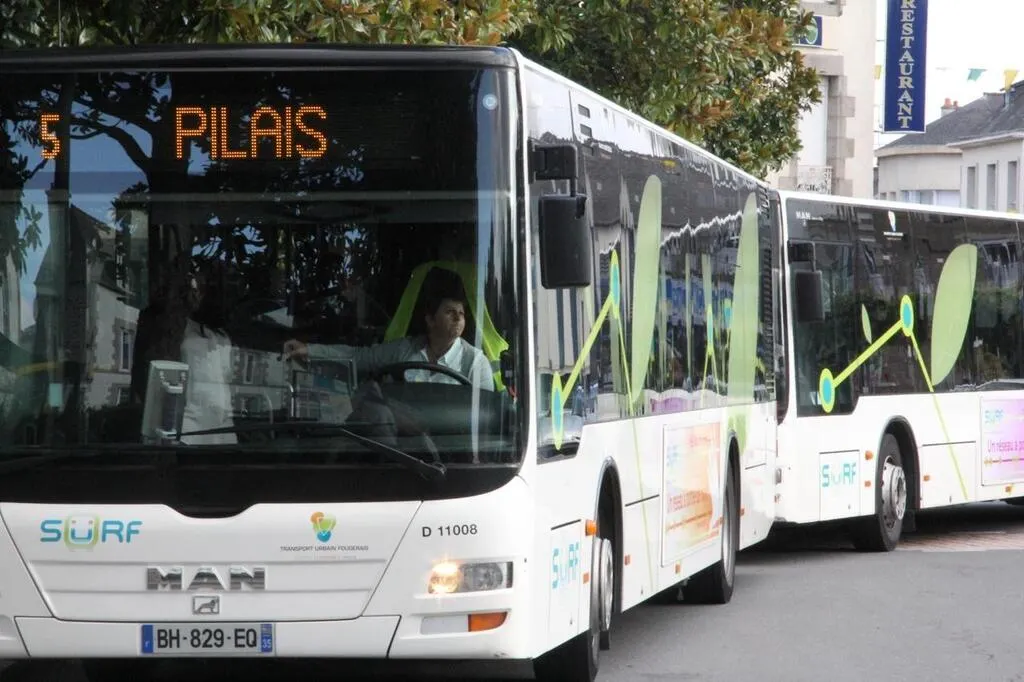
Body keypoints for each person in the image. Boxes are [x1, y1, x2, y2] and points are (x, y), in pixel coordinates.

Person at [282, 274, 495, 392]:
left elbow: (485, 421)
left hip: (454, 452)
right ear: (430, 320)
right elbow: (359, 358)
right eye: (450, 312)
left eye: (461, 313)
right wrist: (309, 350)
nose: (458, 319)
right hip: (399, 447)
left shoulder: (476, 362)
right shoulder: (405, 349)